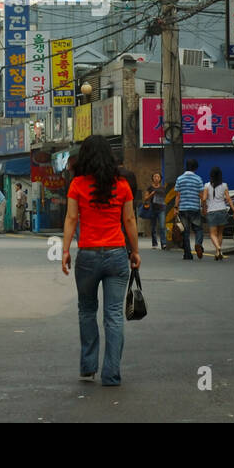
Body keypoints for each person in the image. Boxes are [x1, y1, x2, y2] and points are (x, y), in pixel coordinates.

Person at [61, 135, 140, 387]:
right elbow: (129, 221)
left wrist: (64, 251)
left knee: (86, 310)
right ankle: (112, 374)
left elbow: (72, 219)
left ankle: (87, 366)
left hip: (88, 256)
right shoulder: (123, 185)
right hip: (117, 254)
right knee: (114, 315)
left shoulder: (77, 184)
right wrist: (135, 251)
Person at [173, 158, 206, 259]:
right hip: (194, 208)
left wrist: (175, 208)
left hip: (183, 209)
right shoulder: (198, 179)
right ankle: (198, 243)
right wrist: (204, 207)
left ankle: (187, 254)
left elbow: (177, 195)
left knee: (185, 232)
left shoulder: (180, 179)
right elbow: (201, 196)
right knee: (199, 229)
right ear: (195, 168)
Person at [203, 166, 234, 260]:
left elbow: (204, 198)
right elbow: (229, 199)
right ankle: (218, 252)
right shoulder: (224, 185)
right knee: (220, 233)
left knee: (212, 234)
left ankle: (218, 247)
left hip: (212, 211)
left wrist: (204, 207)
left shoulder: (206, 186)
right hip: (222, 210)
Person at [143, 171, 167, 248]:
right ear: (152, 178)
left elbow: (166, 198)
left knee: (162, 226)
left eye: (158, 177)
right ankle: (154, 243)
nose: (156, 178)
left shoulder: (163, 188)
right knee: (153, 227)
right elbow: (145, 198)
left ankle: (163, 243)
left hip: (161, 209)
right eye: (155, 177)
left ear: (160, 179)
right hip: (152, 209)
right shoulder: (150, 188)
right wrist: (151, 194)